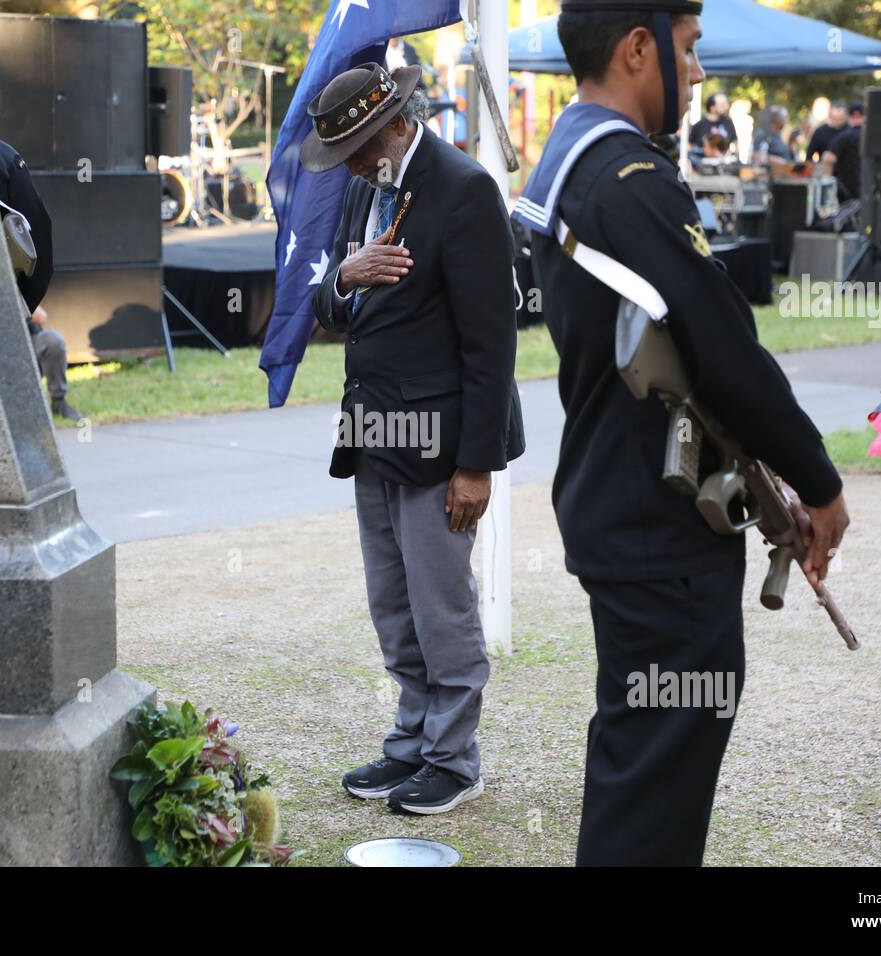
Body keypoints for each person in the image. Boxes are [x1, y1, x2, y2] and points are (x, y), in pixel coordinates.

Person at [512, 0, 850, 865]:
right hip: (658, 527)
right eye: (690, 49)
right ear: (638, 48)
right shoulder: (631, 180)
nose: (698, 72)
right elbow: (727, 354)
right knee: (657, 777)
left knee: (640, 760)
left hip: (616, 504)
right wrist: (820, 484)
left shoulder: (568, 156)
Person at [303, 62, 525, 815]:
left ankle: (454, 760)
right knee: (393, 605)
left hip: (441, 445)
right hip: (373, 431)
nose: (356, 164)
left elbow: (491, 344)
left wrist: (477, 465)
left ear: (398, 122)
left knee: (441, 607)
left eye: (362, 146)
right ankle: (411, 746)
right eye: (347, 154)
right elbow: (333, 307)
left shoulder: (464, 190)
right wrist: (347, 275)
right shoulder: (367, 188)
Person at [0, 129, 82, 421]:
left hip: (24, 331)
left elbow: (38, 314)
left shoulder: (3, 160)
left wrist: (19, 304)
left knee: (53, 342)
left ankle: (58, 401)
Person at [823, 102, 864, 202]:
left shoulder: (843, 136)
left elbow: (827, 159)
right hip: (868, 192)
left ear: (849, 117)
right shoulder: (874, 137)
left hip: (846, 195)